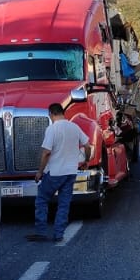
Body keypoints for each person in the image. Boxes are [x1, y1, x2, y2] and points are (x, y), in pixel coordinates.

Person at [29, 102, 91, 243]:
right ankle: (58, 234)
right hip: (71, 172)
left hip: (55, 172)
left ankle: (41, 232)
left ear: (51, 114)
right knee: (64, 204)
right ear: (63, 113)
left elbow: (46, 152)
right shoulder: (74, 127)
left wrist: (39, 172)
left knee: (42, 200)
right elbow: (87, 146)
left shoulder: (52, 129)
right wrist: (86, 161)